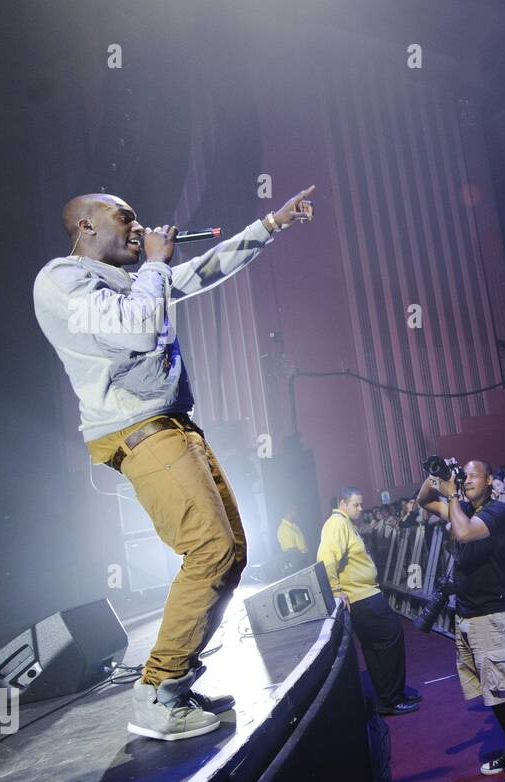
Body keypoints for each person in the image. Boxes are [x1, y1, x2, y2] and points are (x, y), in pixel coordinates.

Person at [34, 185, 316, 741]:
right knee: (208, 549)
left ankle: (178, 681)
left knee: (231, 554)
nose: (139, 228)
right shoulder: (62, 280)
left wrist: (270, 225)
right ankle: (156, 693)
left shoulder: (133, 278)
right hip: (136, 430)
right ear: (86, 227)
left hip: (173, 424)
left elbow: (204, 270)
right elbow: (136, 331)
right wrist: (158, 266)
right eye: (126, 218)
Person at [417, 460, 505, 782]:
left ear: (490, 479)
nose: (466, 481)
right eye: (463, 475)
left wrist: (452, 493)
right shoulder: (462, 506)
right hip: (467, 613)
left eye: (472, 476)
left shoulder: (498, 512)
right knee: (491, 690)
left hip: (492, 613)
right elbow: (425, 499)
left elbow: (466, 533)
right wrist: (437, 477)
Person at [318, 487, 421, 715]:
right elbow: (326, 559)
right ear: (342, 503)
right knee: (389, 639)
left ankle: (391, 695)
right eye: (356, 504)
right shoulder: (337, 523)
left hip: (363, 595)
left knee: (376, 648)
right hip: (362, 597)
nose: (361, 509)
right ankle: (391, 698)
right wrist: (335, 590)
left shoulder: (344, 523)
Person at [277, 503, 308, 575]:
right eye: (295, 511)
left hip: (302, 559)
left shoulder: (294, 525)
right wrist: (301, 561)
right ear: (289, 512)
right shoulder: (283, 528)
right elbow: (291, 551)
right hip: (295, 562)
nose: (296, 514)